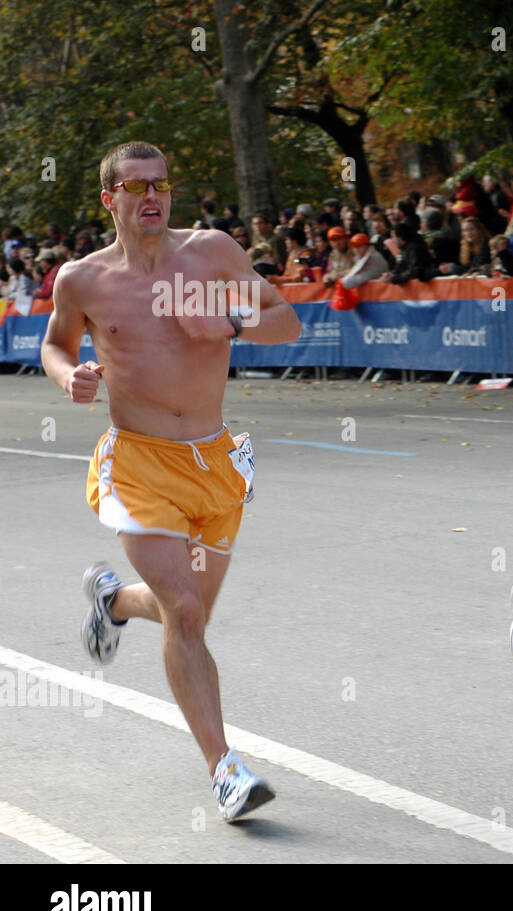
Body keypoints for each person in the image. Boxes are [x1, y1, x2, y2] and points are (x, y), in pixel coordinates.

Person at [39, 141, 300, 822]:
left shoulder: (210, 255)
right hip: (138, 462)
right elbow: (57, 344)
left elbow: (285, 320)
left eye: (161, 184)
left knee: (187, 611)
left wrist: (231, 320)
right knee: (185, 612)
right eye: (135, 186)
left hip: (214, 462)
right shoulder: (84, 280)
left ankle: (116, 603)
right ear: (110, 198)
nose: (151, 196)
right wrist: (73, 377)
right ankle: (226, 771)